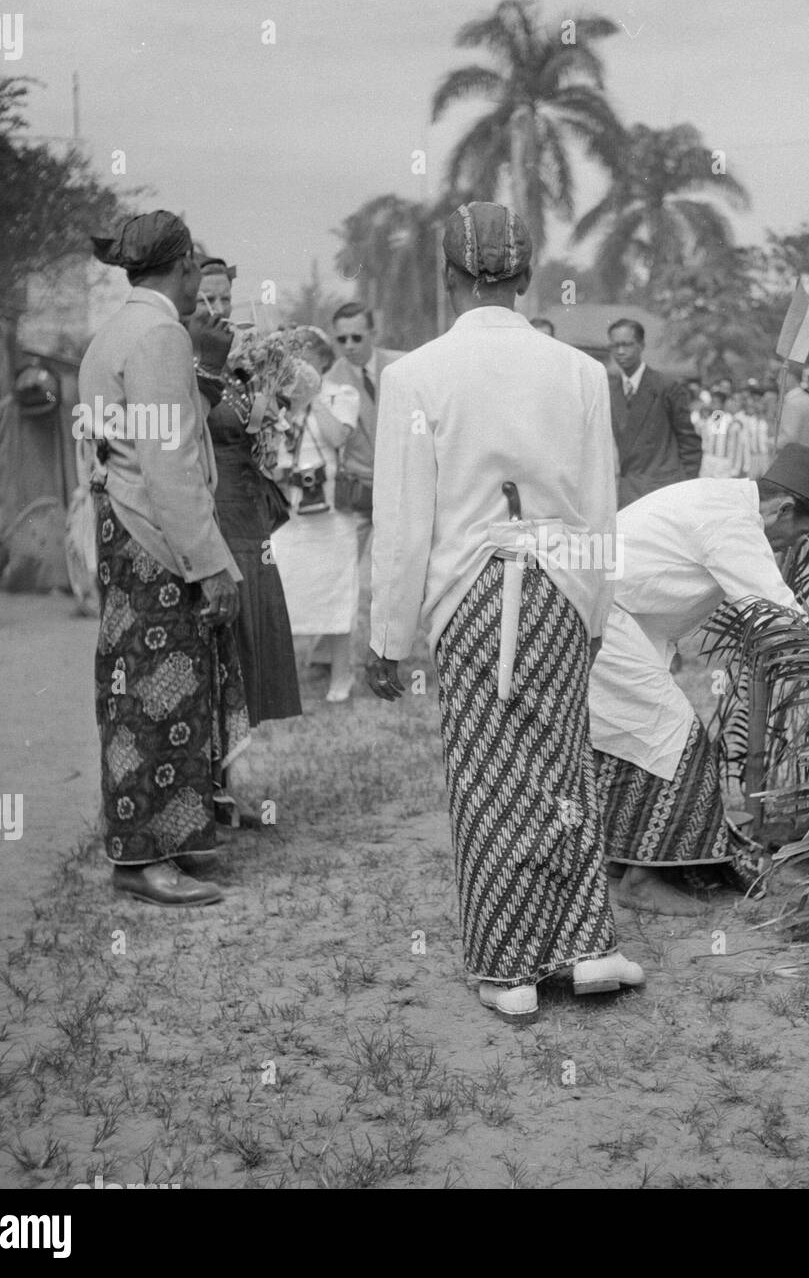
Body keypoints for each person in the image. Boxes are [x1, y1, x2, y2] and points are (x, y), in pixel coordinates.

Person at [366, 200, 642, 1022]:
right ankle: (588, 947)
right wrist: (593, 615)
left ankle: (511, 969)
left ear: (451, 279)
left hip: (468, 594)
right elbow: (599, 509)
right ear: (523, 279)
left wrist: (389, 637)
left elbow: (404, 520)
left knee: (489, 778)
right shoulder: (582, 374)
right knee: (562, 769)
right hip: (559, 587)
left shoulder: (414, 375)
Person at [79, 211, 249, 908]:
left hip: (124, 528)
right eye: (194, 271)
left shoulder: (112, 333)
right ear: (181, 266)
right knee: (160, 694)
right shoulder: (161, 335)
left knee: (137, 691)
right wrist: (209, 561)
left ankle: (158, 845)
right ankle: (145, 859)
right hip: (157, 538)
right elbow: (170, 464)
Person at [590, 445, 809, 914]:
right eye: (800, 532)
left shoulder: (728, 502)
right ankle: (642, 882)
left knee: (633, 741)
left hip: (617, 619)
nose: (793, 544)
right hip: (606, 617)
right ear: (782, 509)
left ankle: (623, 865)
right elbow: (777, 613)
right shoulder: (733, 522)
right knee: (674, 739)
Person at [195, 256, 303, 739]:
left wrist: (270, 400)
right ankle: (210, 774)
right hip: (209, 514)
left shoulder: (244, 370)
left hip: (249, 517)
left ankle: (229, 775)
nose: (216, 309)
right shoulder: (182, 366)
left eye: (222, 299)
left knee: (249, 636)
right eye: (204, 300)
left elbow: (289, 405)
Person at [269, 329, 362, 702]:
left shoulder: (342, 394)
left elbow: (338, 437)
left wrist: (313, 398)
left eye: (307, 359)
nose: (300, 366)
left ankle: (343, 673)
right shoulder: (279, 402)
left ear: (323, 360)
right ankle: (285, 675)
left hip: (332, 515)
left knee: (335, 594)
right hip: (291, 512)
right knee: (286, 591)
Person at [319, 302, 404, 657]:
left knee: (399, 573)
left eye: (357, 336)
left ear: (373, 332)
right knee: (340, 573)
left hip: (401, 488)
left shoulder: (402, 366)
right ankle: (327, 653)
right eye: (342, 339)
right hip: (358, 490)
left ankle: (393, 647)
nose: (350, 345)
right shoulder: (330, 381)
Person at [608, 318, 702, 507]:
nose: (620, 352)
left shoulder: (666, 386)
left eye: (627, 345)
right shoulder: (610, 390)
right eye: (615, 346)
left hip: (661, 491)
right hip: (624, 494)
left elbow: (689, 443)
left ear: (641, 345)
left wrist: (683, 486)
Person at [777, 367, 809, 449]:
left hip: (794, 455)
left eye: (781, 377)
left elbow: (789, 437)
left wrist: (768, 444)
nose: (778, 381)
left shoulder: (793, 402)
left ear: (791, 377)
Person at [699, 390, 745, 478]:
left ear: (723, 404)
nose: (714, 405)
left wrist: (735, 468)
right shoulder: (708, 421)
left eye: (717, 402)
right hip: (708, 460)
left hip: (723, 462)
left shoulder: (731, 422)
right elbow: (705, 441)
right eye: (713, 402)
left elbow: (737, 447)